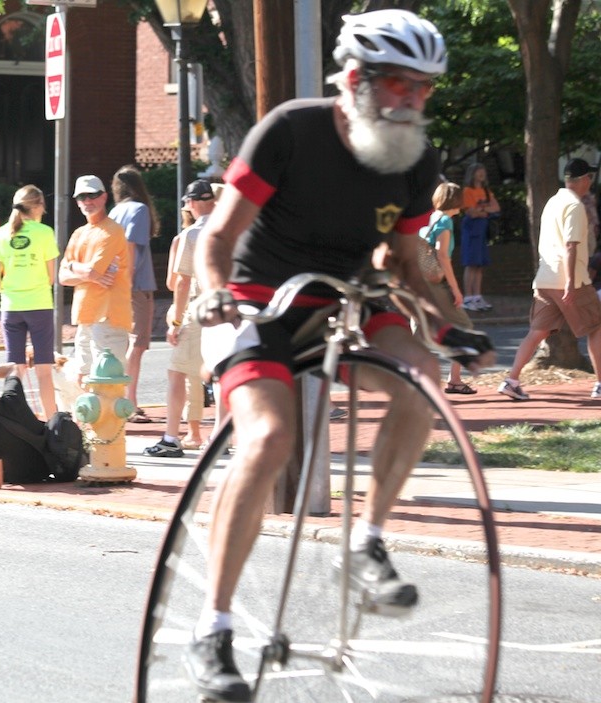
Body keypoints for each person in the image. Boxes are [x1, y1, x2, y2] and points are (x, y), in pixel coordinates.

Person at [184, 11, 495, 701]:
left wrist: (451, 329)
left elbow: (406, 265)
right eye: (400, 86)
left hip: (350, 302)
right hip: (262, 302)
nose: (413, 101)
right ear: (354, 80)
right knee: (268, 438)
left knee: (425, 380)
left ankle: (367, 541)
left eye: (424, 89)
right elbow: (217, 236)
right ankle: (213, 627)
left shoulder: (415, 158)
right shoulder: (291, 132)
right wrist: (211, 294)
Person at [498, 158, 601, 402]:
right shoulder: (575, 206)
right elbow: (570, 245)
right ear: (584, 179)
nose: (591, 183)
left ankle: (511, 381)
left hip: (544, 279)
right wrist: (570, 282)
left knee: (536, 332)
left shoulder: (553, 202)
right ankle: (599, 384)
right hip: (571, 279)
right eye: (590, 178)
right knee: (597, 328)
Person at [144, 180, 215, 458]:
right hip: (228, 309)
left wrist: (174, 323)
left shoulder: (192, 235)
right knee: (219, 377)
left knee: (177, 373)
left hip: (199, 308)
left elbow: (181, 282)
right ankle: (222, 435)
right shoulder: (231, 229)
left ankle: (171, 437)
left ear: (192, 204)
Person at [0, 185, 59, 418]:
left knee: (15, 370)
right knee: (44, 371)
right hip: (39, 304)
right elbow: (51, 276)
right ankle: (52, 423)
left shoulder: (1, 234)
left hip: (11, 306)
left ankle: (16, 421)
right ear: (38, 206)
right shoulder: (45, 232)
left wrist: (9, 291)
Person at [58, 175, 133, 383]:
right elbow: (63, 276)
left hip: (109, 316)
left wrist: (76, 269)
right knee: (83, 379)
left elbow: (93, 271)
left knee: (108, 381)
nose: (87, 201)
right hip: (85, 316)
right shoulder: (79, 233)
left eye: (93, 195)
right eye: (82, 196)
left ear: (104, 197)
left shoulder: (113, 230)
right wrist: (79, 270)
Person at [109, 165, 159, 422]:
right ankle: (129, 401)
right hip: (136, 286)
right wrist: (127, 283)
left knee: (125, 343)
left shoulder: (116, 211)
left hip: (119, 285)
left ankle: (125, 399)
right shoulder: (139, 210)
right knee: (137, 345)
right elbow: (130, 248)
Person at [422, 181, 479, 394]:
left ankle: (413, 380)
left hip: (418, 283)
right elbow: (443, 256)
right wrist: (455, 289)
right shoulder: (445, 221)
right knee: (463, 327)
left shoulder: (430, 218)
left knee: (419, 333)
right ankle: (454, 379)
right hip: (436, 285)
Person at [460, 161, 501, 311]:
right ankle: (468, 297)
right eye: (478, 171)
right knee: (471, 263)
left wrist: (482, 210)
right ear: (472, 173)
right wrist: (485, 211)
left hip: (482, 229)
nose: (482, 173)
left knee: (480, 264)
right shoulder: (467, 191)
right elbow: (471, 212)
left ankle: (477, 296)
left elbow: (496, 207)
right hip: (472, 229)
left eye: (483, 170)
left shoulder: (486, 191)